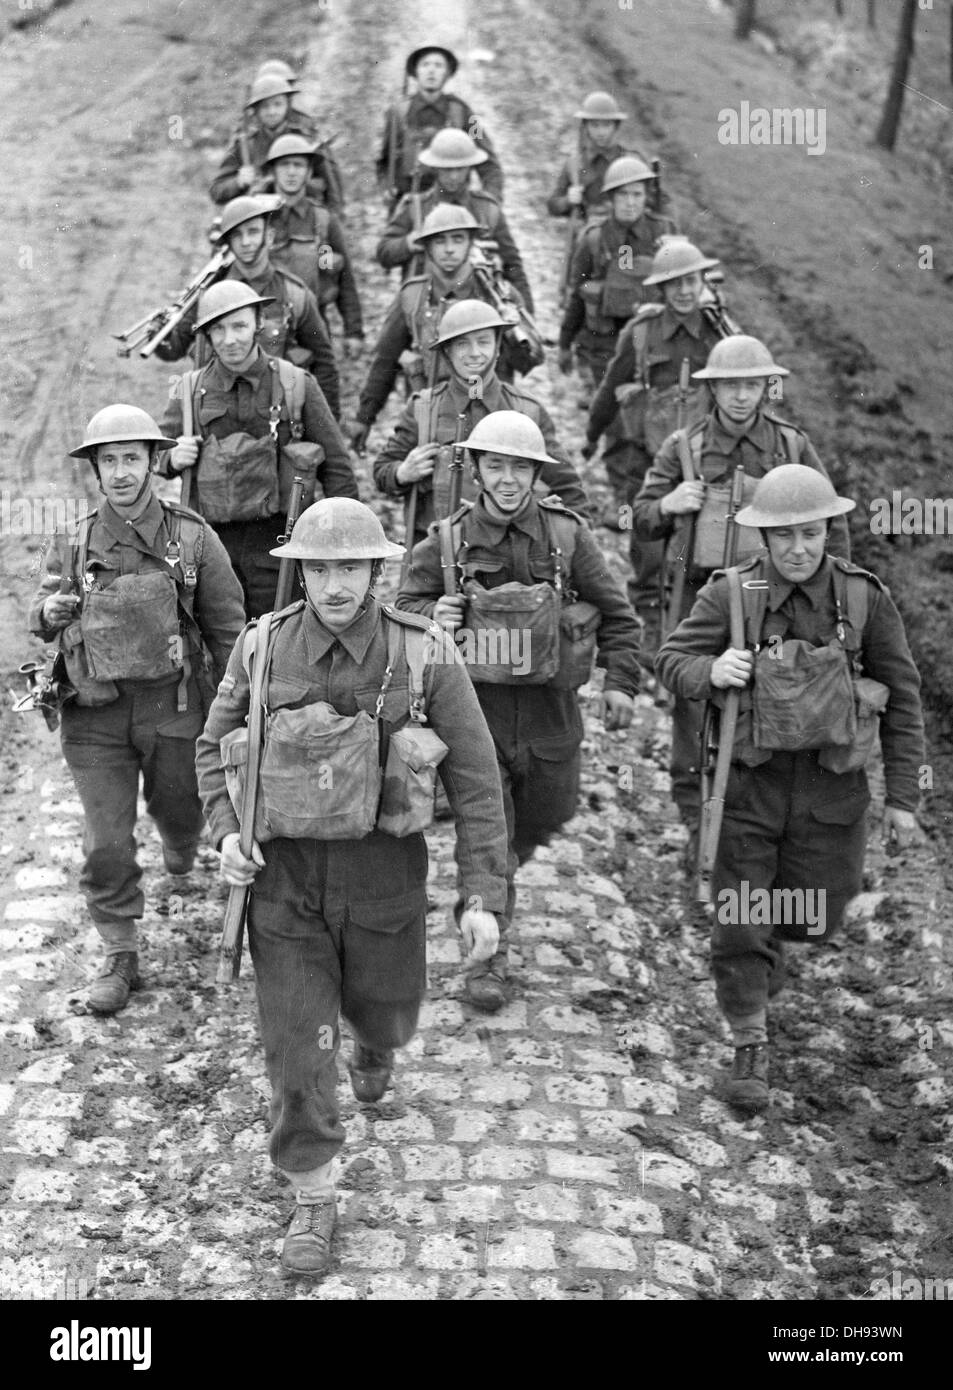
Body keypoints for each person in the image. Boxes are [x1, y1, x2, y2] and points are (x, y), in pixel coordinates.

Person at [195, 498, 510, 1276]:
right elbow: (210, 749)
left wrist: (482, 897)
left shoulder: (425, 651)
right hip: (285, 882)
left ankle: (375, 1041)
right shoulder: (262, 649)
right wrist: (226, 834)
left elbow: (475, 780)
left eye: (352, 567)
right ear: (299, 568)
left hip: (384, 878)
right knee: (297, 1044)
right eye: (321, 567)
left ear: (379, 570)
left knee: (385, 1014)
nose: (336, 585)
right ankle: (313, 1193)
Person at [655, 465, 924, 1112]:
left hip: (832, 792)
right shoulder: (730, 595)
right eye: (783, 537)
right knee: (740, 914)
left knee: (815, 913)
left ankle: (768, 951)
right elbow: (669, 660)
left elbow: (904, 694)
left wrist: (905, 800)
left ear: (827, 530)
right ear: (763, 538)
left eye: (809, 534)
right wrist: (711, 668)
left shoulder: (864, 600)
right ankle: (748, 1035)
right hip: (748, 785)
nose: (798, 549)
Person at [397, 412, 641, 1011]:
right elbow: (402, 604)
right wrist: (435, 614)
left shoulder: (567, 537)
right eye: (497, 466)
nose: (508, 480)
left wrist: (622, 684)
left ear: (538, 473)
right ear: (476, 470)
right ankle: (487, 950)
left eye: (521, 468)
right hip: (474, 712)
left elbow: (618, 612)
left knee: (549, 813)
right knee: (490, 831)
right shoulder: (448, 540)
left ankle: (497, 877)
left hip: (551, 714)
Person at [28, 406, 245, 1015]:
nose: (121, 472)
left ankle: (182, 839)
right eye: (108, 461)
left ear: (153, 462)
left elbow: (228, 628)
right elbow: (39, 613)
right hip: (94, 714)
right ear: (95, 469)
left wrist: (236, 709)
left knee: (180, 809)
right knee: (106, 841)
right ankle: (120, 951)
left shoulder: (193, 537)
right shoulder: (72, 539)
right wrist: (49, 616)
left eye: (131, 458)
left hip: (174, 709)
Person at [631, 334, 850, 853]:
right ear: (713, 389)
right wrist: (668, 505)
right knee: (693, 705)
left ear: (765, 387)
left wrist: (840, 593)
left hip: (773, 600)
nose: (741, 396)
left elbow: (829, 521)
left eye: (751, 384)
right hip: (701, 599)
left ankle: (760, 826)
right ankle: (696, 827)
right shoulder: (683, 447)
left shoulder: (791, 447)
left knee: (777, 701)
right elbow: (638, 518)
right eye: (730, 385)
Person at [158, 280, 357, 619]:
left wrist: (349, 545)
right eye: (218, 330)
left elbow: (337, 468)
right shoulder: (189, 391)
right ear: (205, 335)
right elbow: (152, 451)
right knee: (222, 647)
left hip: (280, 545)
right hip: (213, 548)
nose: (230, 339)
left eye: (239, 325)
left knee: (282, 644)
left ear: (258, 323)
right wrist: (171, 458)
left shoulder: (295, 384)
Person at [584, 238, 725, 654]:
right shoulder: (642, 333)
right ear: (661, 289)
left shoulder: (719, 335)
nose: (684, 291)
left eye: (692, 281)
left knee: (699, 553)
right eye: (675, 283)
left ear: (703, 282)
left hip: (703, 464)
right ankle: (646, 632)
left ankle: (687, 634)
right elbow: (611, 385)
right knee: (645, 550)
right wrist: (593, 434)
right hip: (646, 461)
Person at [372, 299, 589, 546]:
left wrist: (579, 545)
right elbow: (382, 470)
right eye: (462, 344)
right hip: (439, 553)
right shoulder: (424, 408)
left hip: (509, 556)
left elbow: (568, 485)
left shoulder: (526, 410)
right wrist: (401, 473)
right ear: (447, 353)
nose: (475, 353)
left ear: (497, 348)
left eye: (483, 342)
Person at [352, 203, 541, 454]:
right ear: (427, 247)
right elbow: (386, 359)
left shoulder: (498, 294)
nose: (449, 249)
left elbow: (528, 360)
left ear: (471, 243)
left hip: (489, 412)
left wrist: (511, 329)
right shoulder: (413, 296)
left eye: (458, 239)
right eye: (440, 241)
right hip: (433, 415)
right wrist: (365, 417)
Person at [153, 195, 341, 420]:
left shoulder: (295, 294)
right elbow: (175, 347)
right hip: (217, 417)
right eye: (237, 235)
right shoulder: (209, 293)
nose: (245, 242)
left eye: (252, 232)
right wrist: (159, 335)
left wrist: (326, 423)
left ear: (268, 236)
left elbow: (324, 363)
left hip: (276, 417)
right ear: (228, 242)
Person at [558, 155, 678, 397]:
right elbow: (577, 295)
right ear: (611, 198)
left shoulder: (664, 233)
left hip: (653, 343)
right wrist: (564, 344)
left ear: (647, 197)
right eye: (622, 195)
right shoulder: (593, 238)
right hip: (603, 345)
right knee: (609, 411)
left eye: (637, 194)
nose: (630, 203)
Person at [376, 129, 533, 311]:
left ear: (470, 168)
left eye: (460, 169)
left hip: (479, 310)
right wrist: (407, 244)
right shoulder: (416, 208)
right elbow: (383, 252)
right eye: (447, 169)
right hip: (423, 307)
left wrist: (527, 315)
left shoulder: (487, 209)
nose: (454, 176)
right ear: (436, 168)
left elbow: (513, 265)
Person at [259, 134, 363, 354]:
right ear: (273, 171)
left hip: (312, 325)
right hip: (263, 325)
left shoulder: (322, 221)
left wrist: (353, 331)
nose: (291, 172)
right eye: (284, 165)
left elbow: (343, 279)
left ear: (309, 172)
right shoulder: (257, 216)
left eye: (298, 165)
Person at [377, 44, 503, 211]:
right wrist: (386, 187)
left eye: (438, 66)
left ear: (447, 74)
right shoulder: (397, 112)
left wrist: (490, 199)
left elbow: (488, 160)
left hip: (452, 205)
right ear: (416, 72)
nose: (431, 71)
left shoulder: (463, 111)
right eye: (425, 65)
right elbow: (384, 160)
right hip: (407, 203)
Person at [210, 73, 343, 211]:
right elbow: (216, 191)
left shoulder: (306, 141)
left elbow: (332, 191)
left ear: (288, 106)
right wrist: (238, 182)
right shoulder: (245, 145)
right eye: (265, 106)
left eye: (278, 104)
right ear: (256, 111)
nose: (272, 111)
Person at [547, 91, 668, 222]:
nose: (601, 132)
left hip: (626, 235)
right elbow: (553, 205)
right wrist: (568, 200)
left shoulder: (632, 160)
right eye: (595, 125)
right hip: (588, 235)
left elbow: (658, 203)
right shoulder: (575, 163)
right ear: (586, 127)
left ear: (615, 127)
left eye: (606, 125)